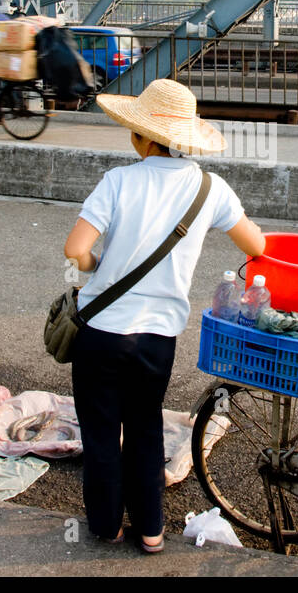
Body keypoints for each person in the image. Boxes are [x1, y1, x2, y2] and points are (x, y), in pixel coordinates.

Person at [62, 78, 265, 553]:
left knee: (100, 431)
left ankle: (107, 528)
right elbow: (255, 245)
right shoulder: (210, 189)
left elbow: (76, 250)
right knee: (145, 426)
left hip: (102, 330)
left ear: (140, 136)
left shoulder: (118, 180)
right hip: (157, 338)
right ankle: (152, 530)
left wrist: (98, 268)